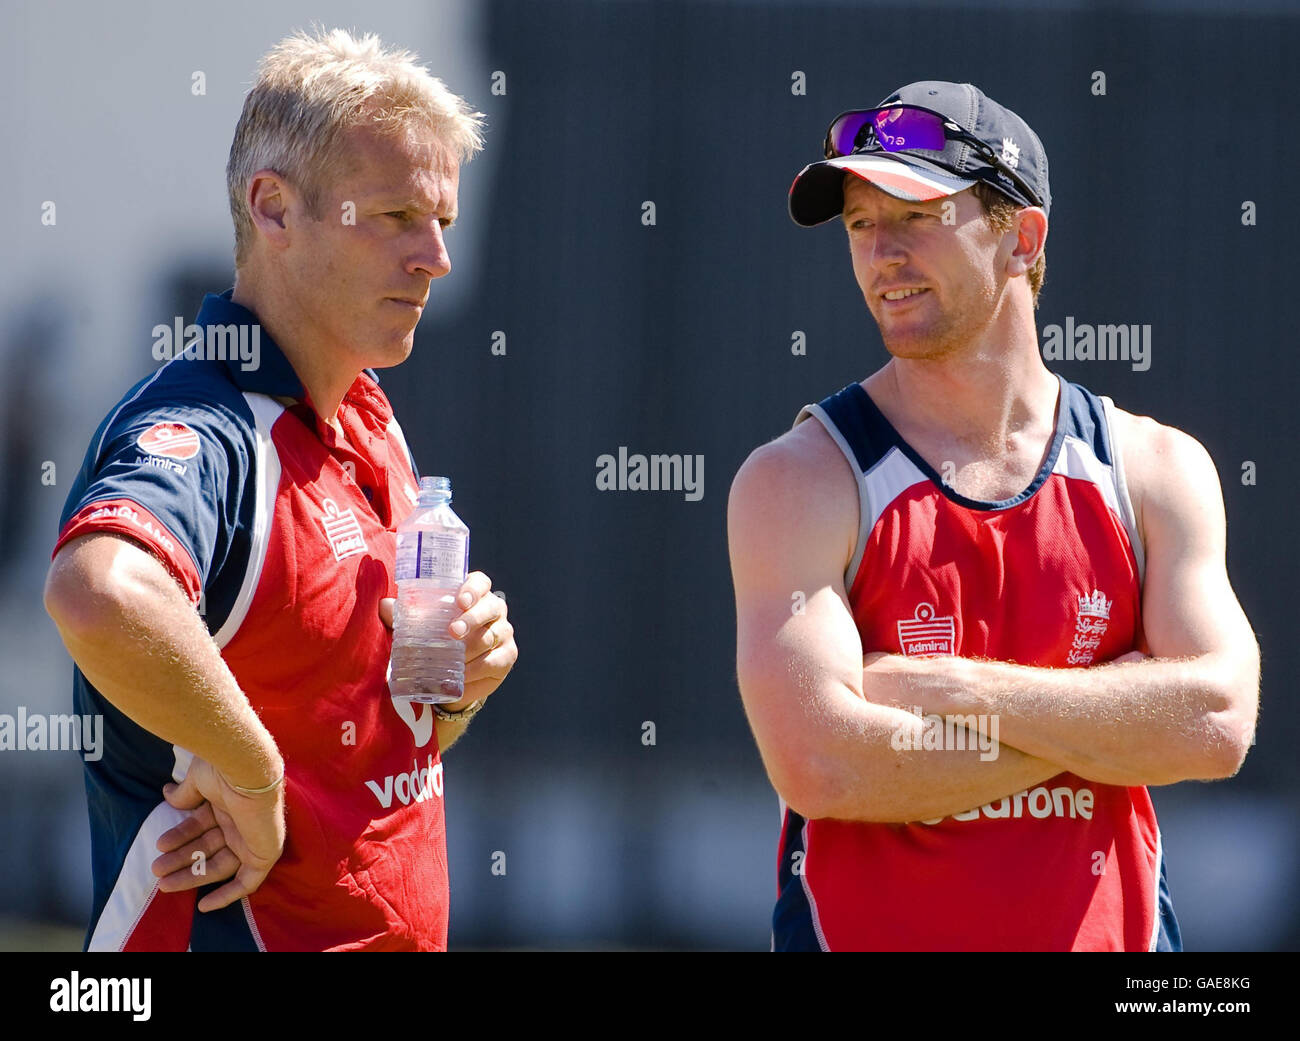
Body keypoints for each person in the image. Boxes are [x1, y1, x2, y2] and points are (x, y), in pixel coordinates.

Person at [727, 81, 1259, 951]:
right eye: (861, 223)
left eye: (917, 212)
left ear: (1023, 238)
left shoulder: (1156, 467)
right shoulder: (800, 479)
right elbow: (826, 763)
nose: (882, 253)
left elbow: (1217, 724)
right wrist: (1118, 724)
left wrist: (954, 694)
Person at [43, 28, 517, 952]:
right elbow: (96, 591)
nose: (436, 257)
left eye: (443, 223)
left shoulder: (368, 416)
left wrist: (455, 691)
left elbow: (351, 758)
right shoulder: (206, 425)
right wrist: (252, 774)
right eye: (393, 217)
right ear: (272, 208)